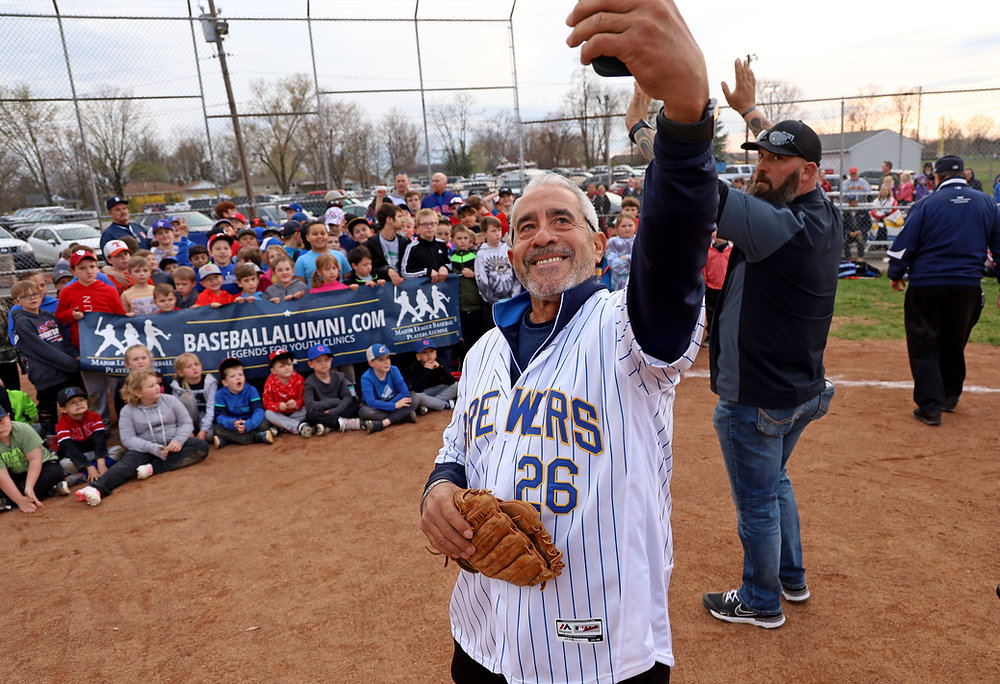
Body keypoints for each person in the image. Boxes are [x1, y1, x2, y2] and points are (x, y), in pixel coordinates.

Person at [420, 1, 715, 677]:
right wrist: (438, 489)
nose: (543, 234)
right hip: (483, 635)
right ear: (512, 250)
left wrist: (688, 118)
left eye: (562, 220)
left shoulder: (627, 331)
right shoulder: (486, 351)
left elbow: (672, 252)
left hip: (600, 649)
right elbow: (457, 445)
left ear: (598, 241)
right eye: (525, 226)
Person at [689, 56, 842, 628]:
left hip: (758, 396)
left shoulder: (781, 227)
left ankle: (760, 600)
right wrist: (752, 113)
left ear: (809, 173)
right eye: (762, 156)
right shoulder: (820, 213)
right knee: (775, 483)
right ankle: (791, 580)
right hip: (798, 388)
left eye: (778, 161)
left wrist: (662, 126)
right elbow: (775, 178)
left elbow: (697, 186)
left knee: (756, 501)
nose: (763, 168)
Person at [887, 155, 1000, 425]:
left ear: (937, 177)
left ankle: (930, 407)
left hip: (927, 284)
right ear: (964, 175)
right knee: (954, 341)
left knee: (924, 343)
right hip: (967, 286)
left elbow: (905, 244)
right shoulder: (987, 203)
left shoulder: (926, 203)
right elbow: (998, 248)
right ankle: (950, 396)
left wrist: (895, 273)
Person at [75, 369, 210, 507]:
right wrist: (152, 448)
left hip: (172, 444)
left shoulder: (171, 400)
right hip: (144, 449)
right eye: (151, 386)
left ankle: (153, 468)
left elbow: (186, 423)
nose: (157, 387)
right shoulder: (127, 411)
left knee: (200, 447)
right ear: (138, 392)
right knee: (127, 463)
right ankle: (96, 488)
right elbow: (128, 439)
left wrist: (178, 440)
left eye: (156, 383)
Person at [55, 249, 127, 425]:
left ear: (98, 268)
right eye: (82, 268)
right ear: (73, 271)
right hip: (85, 349)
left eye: (92, 266)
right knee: (95, 390)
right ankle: (101, 424)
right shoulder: (67, 291)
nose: (88, 271)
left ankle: (125, 422)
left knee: (117, 387)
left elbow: (120, 318)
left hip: (109, 350)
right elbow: (59, 317)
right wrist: (72, 314)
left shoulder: (109, 290)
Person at [10, 280, 81, 435]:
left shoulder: (49, 316)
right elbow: (42, 350)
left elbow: (65, 338)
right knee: (48, 409)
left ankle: (76, 436)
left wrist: (74, 356)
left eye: (35, 294)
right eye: (26, 296)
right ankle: (52, 441)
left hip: (66, 371)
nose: (32, 298)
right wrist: (72, 364)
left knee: (73, 402)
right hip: (46, 375)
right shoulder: (22, 322)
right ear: (17, 302)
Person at [0, 406, 66, 512]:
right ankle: (48, 491)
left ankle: (8, 500)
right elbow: (1, 475)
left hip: (39, 467)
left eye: (1, 421)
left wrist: (29, 487)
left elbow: (35, 459)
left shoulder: (22, 429)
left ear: (8, 417)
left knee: (55, 472)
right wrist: (19, 499)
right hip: (12, 476)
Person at [303, 343, 367, 433]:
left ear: (331, 361)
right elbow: (310, 405)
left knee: (357, 404)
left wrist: (333, 411)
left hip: (338, 409)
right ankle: (344, 423)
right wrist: (334, 402)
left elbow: (347, 397)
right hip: (323, 410)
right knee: (311, 415)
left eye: (326, 360)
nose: (323, 364)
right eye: (318, 361)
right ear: (310, 364)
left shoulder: (339, 376)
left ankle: (329, 425)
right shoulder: (309, 382)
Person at [54, 386, 112, 484]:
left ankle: (81, 475)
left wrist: (101, 463)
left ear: (86, 402)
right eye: (72, 402)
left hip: (94, 454)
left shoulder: (95, 417)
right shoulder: (61, 425)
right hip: (76, 457)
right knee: (65, 464)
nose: (78, 404)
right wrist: (88, 466)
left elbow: (100, 441)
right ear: (63, 409)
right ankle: (89, 471)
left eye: (81, 400)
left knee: (118, 450)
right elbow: (69, 448)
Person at [212, 357, 274, 448]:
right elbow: (220, 416)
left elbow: (258, 411)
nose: (238, 378)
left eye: (240, 375)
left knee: (264, 424)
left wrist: (249, 424)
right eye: (233, 376)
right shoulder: (220, 394)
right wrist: (232, 423)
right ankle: (257, 437)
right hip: (233, 424)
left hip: (250, 421)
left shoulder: (251, 390)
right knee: (217, 429)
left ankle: (227, 440)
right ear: (225, 383)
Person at [359, 343, 417, 433]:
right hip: (378, 407)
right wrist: (394, 406)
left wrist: (394, 405)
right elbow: (371, 402)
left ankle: (383, 423)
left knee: (414, 399)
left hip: (392, 402)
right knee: (364, 412)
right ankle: (403, 417)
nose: (386, 362)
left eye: (387, 358)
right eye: (381, 359)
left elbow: (404, 392)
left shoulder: (394, 369)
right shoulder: (366, 377)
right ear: (371, 363)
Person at [449, 224, 485, 354]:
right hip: (459, 308)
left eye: (465, 238)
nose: (463, 241)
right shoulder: (449, 259)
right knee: (463, 343)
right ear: (452, 240)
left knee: (478, 339)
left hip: (476, 306)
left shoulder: (476, 256)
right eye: (459, 238)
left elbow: (485, 278)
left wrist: (473, 275)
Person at [170, 353, 216, 442]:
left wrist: (204, 430)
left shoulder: (209, 382)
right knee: (187, 398)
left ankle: (198, 431)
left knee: (209, 437)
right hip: (186, 418)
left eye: (196, 364)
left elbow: (211, 408)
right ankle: (189, 431)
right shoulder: (177, 386)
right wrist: (187, 429)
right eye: (189, 367)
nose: (194, 368)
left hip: (203, 416)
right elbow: (176, 410)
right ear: (180, 373)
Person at [407, 338, 456, 414]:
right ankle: (446, 405)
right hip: (425, 393)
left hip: (439, 390)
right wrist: (427, 370)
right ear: (418, 356)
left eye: (432, 351)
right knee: (416, 396)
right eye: (424, 352)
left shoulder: (439, 361)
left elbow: (451, 381)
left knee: (457, 385)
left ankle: (430, 405)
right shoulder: (414, 366)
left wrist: (440, 368)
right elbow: (418, 389)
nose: (429, 355)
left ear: (436, 353)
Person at [401, 209, 451, 282]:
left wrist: (445, 268)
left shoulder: (442, 244)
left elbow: (450, 263)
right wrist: (427, 272)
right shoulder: (412, 248)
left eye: (432, 223)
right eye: (425, 224)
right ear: (418, 227)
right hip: (421, 290)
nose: (429, 227)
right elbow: (405, 273)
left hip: (442, 289)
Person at [365, 204, 408, 286]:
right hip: (381, 287)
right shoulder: (370, 244)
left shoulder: (405, 242)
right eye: (399, 216)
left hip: (402, 286)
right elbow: (370, 268)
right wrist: (387, 270)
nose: (403, 220)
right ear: (389, 219)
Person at [606, 212, 637, 290]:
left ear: (635, 226)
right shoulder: (612, 242)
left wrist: (626, 257)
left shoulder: (640, 241)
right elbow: (615, 265)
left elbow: (645, 261)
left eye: (630, 225)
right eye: (623, 226)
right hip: (618, 286)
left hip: (638, 284)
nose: (627, 228)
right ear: (617, 228)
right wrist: (636, 264)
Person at [842, 194, 869, 261]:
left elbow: (868, 224)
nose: (853, 204)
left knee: (860, 238)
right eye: (851, 202)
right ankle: (848, 258)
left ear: (857, 202)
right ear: (849, 203)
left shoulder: (863, 211)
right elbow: (843, 226)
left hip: (860, 232)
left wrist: (861, 231)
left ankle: (860, 256)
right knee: (845, 240)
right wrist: (849, 232)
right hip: (850, 233)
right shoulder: (845, 213)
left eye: (854, 202)